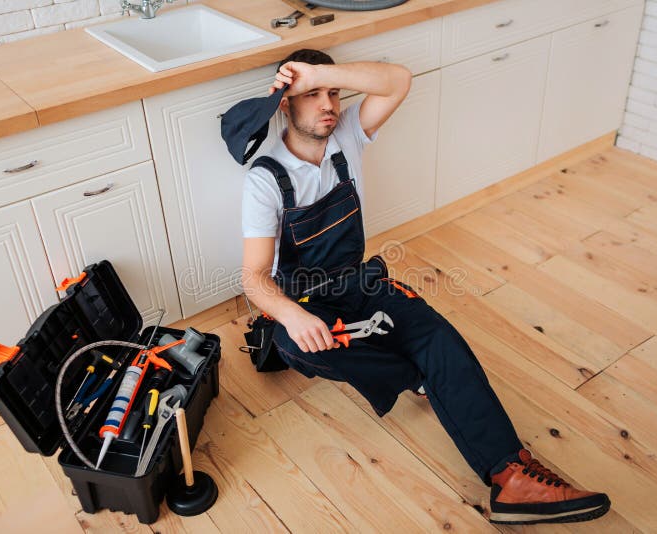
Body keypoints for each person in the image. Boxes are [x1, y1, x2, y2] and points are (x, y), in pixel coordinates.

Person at [239, 49, 610, 525]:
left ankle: (510, 478)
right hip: (307, 298)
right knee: (297, 344)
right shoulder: (265, 178)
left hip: (363, 282)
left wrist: (319, 74)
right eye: (311, 95)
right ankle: (419, 377)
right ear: (285, 104)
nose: (328, 103)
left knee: (439, 336)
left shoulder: (346, 135)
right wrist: (291, 313)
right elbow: (254, 277)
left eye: (333, 92)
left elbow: (397, 80)